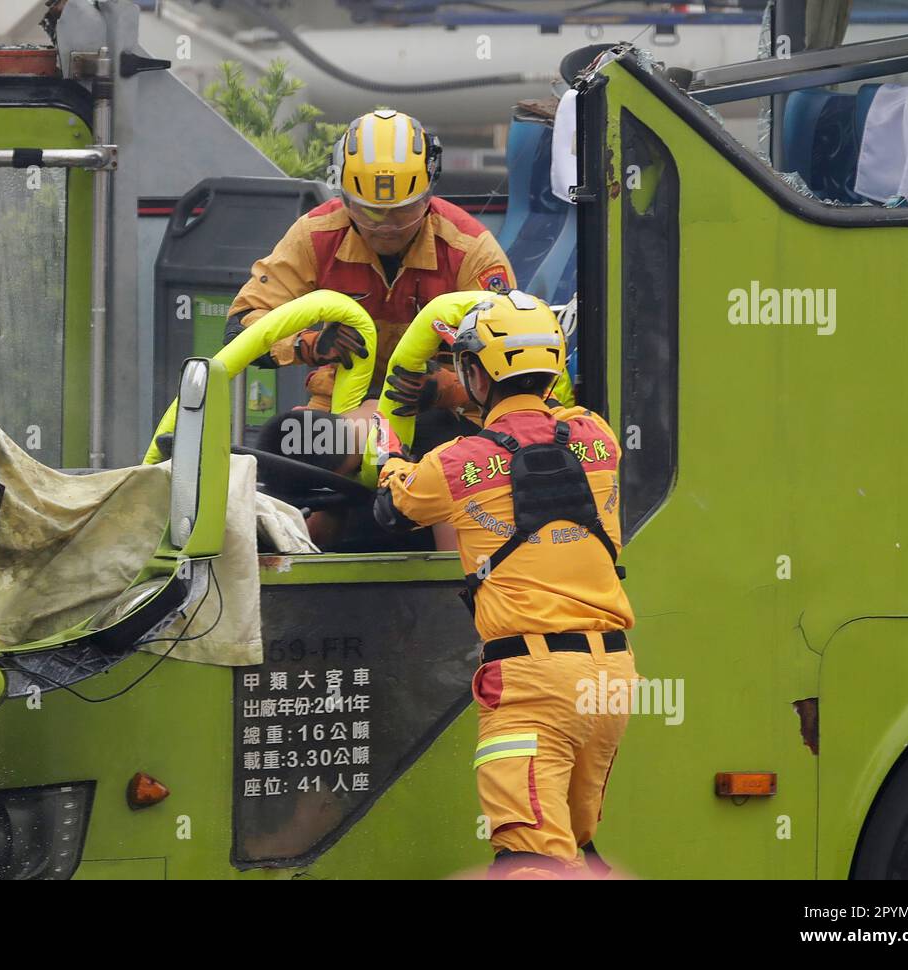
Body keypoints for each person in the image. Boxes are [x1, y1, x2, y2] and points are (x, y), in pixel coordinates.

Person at [371, 289, 636, 879]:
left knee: (530, 860)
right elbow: (549, 426)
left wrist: (386, 449)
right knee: (575, 850)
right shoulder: (597, 437)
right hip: (611, 679)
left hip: (533, 682)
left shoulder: (453, 463)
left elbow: (394, 507)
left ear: (475, 372)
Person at [225, 107, 517, 455]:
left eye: (403, 211)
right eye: (369, 211)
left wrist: (443, 387)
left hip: (446, 415)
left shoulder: (470, 250)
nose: (386, 226)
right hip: (338, 405)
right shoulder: (314, 236)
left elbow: (514, 355)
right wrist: (309, 344)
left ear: (428, 195)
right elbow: (242, 326)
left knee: (431, 451)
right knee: (287, 446)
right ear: (344, 198)